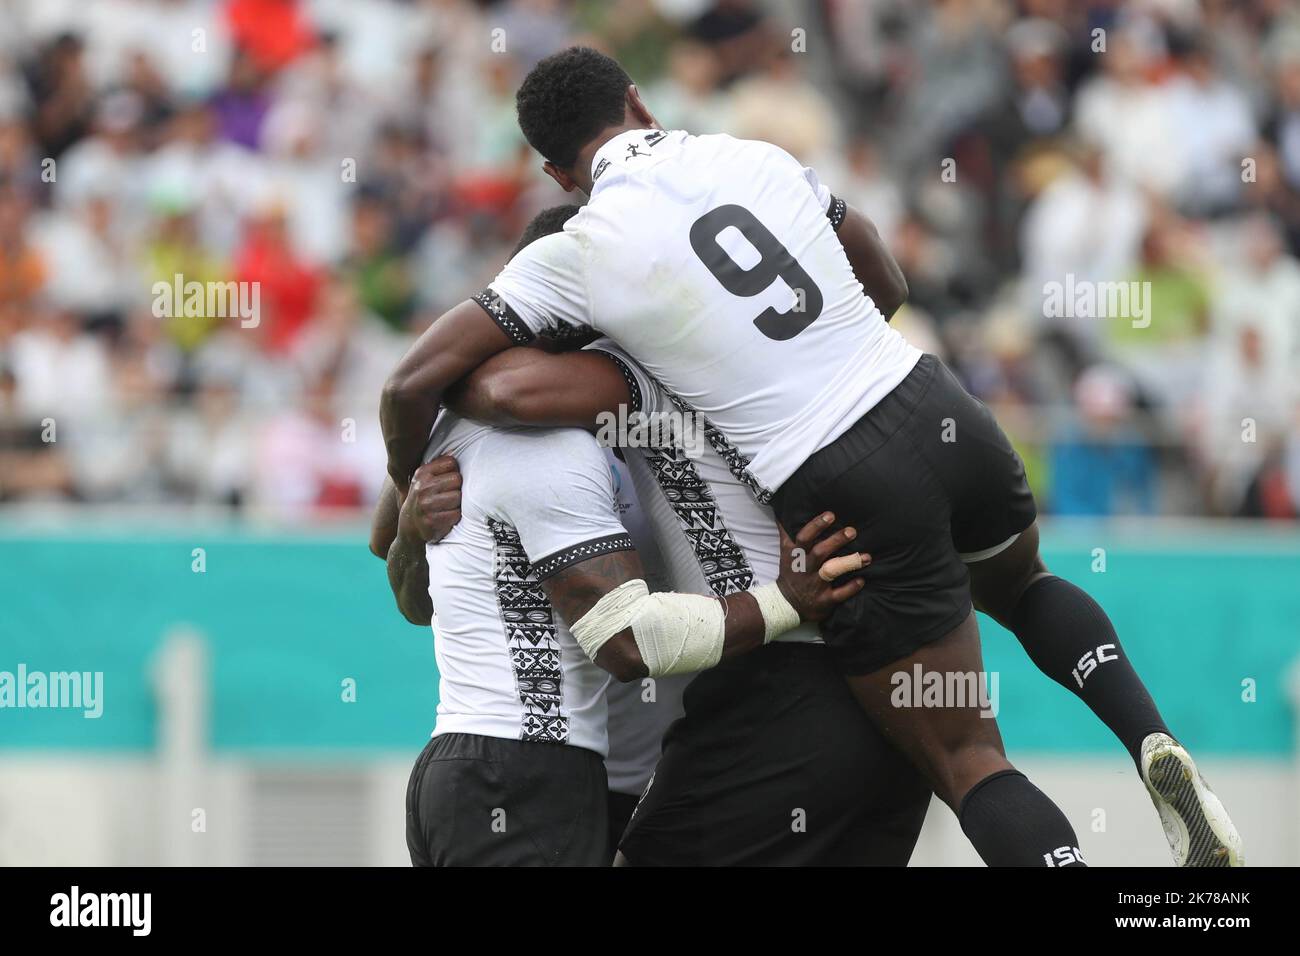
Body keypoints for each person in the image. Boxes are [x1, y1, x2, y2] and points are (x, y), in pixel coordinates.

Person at [379, 47, 1242, 867]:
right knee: (1010, 633)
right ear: (638, 100)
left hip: (789, 663)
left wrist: (424, 459)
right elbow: (890, 283)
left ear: (556, 174)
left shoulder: (610, 339)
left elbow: (474, 390)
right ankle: (1146, 736)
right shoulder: (749, 159)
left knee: (970, 763)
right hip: (927, 406)